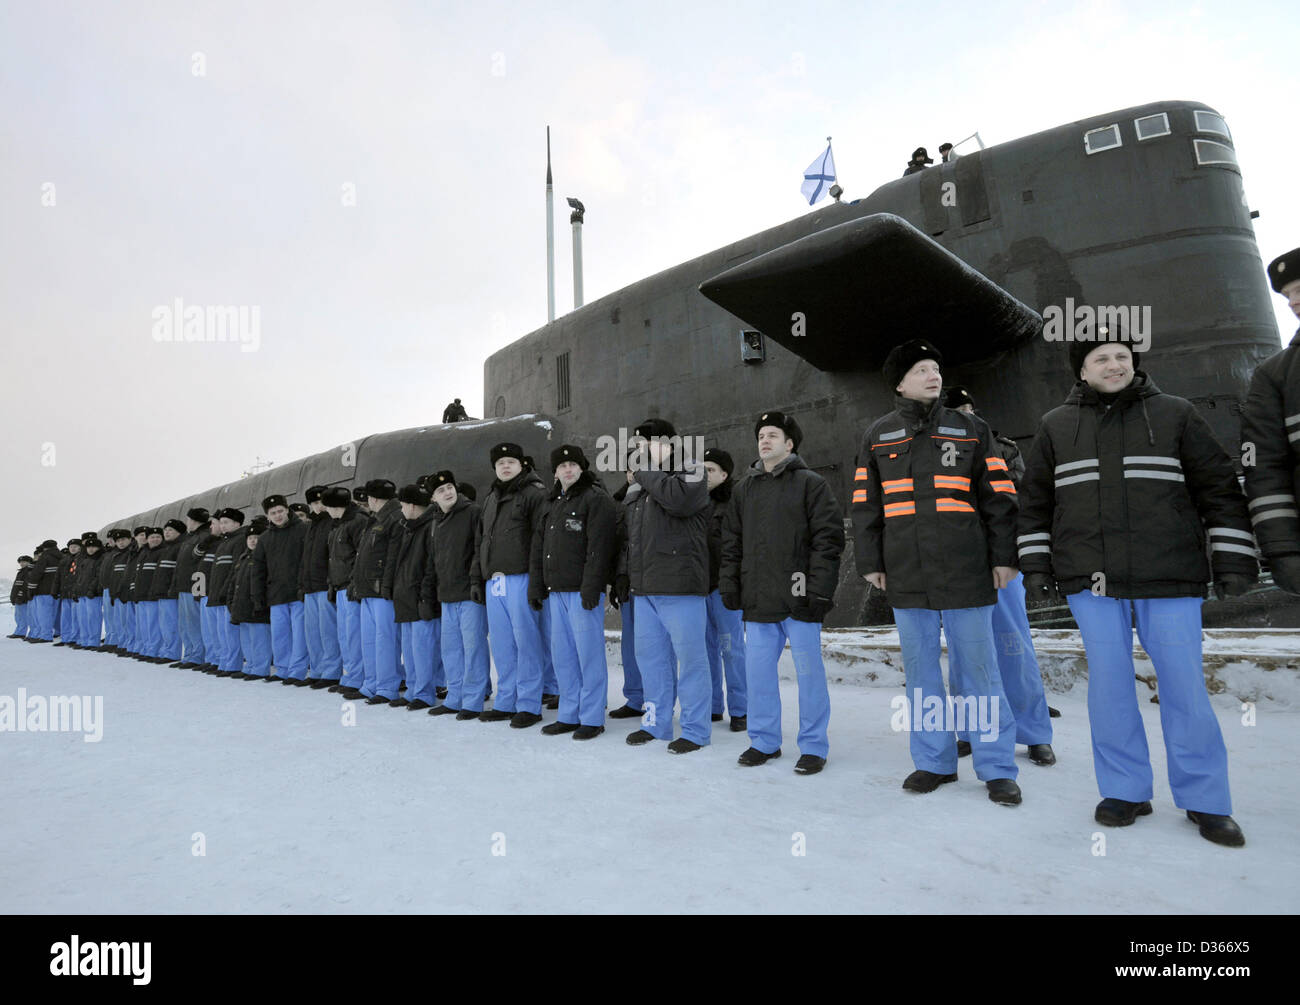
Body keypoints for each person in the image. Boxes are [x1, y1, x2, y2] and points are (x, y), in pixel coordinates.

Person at [1018, 324, 1256, 846]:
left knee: (1184, 687)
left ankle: (1206, 799)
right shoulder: (1056, 426)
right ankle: (1125, 790)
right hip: (1091, 580)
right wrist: (1036, 566)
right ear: (1082, 370)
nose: (1113, 364)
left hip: (1169, 574)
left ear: (1134, 363)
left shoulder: (1176, 413)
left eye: (1121, 355)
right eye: (1100, 357)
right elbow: (1034, 502)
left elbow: (1218, 487)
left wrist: (1235, 559)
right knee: (1109, 687)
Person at [853, 339, 1023, 805]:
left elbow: (1000, 496)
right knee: (921, 672)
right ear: (900, 381)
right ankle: (934, 761)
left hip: (967, 568)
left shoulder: (971, 429)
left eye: (936, 367)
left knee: (980, 671)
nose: (934, 375)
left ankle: (996, 767)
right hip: (907, 571)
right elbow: (864, 505)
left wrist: (1004, 556)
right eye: (922, 369)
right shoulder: (878, 435)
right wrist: (870, 563)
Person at [721, 412, 844, 774]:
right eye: (761, 434)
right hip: (759, 599)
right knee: (758, 674)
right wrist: (730, 584)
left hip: (800, 597)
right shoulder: (744, 488)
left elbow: (828, 539)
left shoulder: (811, 484)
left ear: (790, 444)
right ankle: (763, 741)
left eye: (773, 434)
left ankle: (813, 746)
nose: (765, 440)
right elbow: (732, 542)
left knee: (808, 674)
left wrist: (819, 590)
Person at [942, 385, 1056, 762]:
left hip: (1001, 558)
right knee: (964, 654)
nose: (968, 414)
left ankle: (1034, 731)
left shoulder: (1003, 449)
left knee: (1013, 645)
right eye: (960, 410)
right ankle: (973, 730)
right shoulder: (932, 453)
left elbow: (1018, 501)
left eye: (971, 407)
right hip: (959, 563)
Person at [620, 418, 713, 753]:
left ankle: (695, 729)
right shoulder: (639, 486)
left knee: (690, 660)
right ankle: (655, 722)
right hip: (645, 588)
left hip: (680, 584)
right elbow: (630, 535)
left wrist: (643, 472)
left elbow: (680, 501)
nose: (641, 450)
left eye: (649, 443)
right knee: (652, 660)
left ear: (672, 443)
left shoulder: (693, 470)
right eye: (638, 445)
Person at [531, 445, 618, 739]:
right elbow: (539, 547)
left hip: (582, 592)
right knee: (563, 655)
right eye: (562, 465)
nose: (567, 469)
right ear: (555, 472)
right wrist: (537, 584)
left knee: (588, 655)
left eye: (573, 464)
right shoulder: (550, 502)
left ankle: (592, 717)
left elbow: (599, 548)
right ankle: (569, 713)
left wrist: (592, 587)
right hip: (556, 592)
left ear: (582, 467)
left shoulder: (595, 500)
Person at [1240, 247, 1300, 595]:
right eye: (1287, 293)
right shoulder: (1276, 374)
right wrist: (1284, 550)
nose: (1293, 301)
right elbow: (1265, 470)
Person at [477, 442, 549, 727]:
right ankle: (506, 700)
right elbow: (482, 540)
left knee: (527, 641)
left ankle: (530, 704)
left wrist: (536, 580)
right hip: (494, 580)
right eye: (500, 463)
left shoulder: (534, 494)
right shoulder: (491, 497)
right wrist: (478, 576)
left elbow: (540, 539)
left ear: (522, 465)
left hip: (521, 577)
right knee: (503, 644)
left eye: (511, 461)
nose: (505, 466)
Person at [427, 471, 490, 719]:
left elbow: (478, 549)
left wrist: (476, 581)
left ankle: (473, 701)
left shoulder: (473, 512)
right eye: (441, 490)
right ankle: (455, 697)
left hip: (468, 594)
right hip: (447, 595)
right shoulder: (436, 521)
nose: (448, 492)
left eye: (450, 487)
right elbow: (435, 560)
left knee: (473, 647)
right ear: (433, 498)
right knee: (451, 649)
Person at [702, 447, 747, 731]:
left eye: (710, 470)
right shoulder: (694, 503)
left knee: (731, 648)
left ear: (724, 474)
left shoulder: (734, 503)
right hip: (699, 588)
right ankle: (714, 706)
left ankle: (741, 709)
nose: (704, 475)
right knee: (706, 650)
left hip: (725, 587)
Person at [351, 478, 404, 703]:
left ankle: (387, 687)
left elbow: (393, 557)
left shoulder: (393, 518)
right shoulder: (376, 519)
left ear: (373, 498)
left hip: (381, 590)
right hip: (369, 589)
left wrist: (387, 586)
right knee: (370, 640)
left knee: (385, 640)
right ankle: (371, 683)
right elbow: (363, 556)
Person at [391, 483, 443, 709]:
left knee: (422, 650)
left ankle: (423, 693)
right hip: (406, 598)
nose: (401, 509)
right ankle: (413, 689)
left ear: (411, 506)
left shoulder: (429, 527)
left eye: (402, 505)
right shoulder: (410, 527)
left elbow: (431, 567)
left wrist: (425, 597)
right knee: (411, 651)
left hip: (418, 597)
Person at [252, 493, 311, 685]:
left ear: (287, 510)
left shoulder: (303, 530)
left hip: (298, 592)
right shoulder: (264, 538)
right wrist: (258, 594)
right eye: (272, 513)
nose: (277, 516)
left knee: (300, 634)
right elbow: (258, 568)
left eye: (280, 511)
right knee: (280, 634)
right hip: (276, 594)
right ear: (267, 515)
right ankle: (282, 668)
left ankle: (297, 670)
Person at [323, 486, 370, 697]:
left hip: (351, 588)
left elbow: (361, 556)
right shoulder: (337, 525)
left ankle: (358, 677)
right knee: (345, 635)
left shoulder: (356, 522)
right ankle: (350, 676)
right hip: (340, 586)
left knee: (354, 636)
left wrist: (353, 583)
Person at [299, 486, 341, 688]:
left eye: (322, 502)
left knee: (328, 631)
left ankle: (332, 671)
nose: (319, 506)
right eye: (315, 503)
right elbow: (305, 559)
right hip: (310, 587)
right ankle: (317, 669)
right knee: (313, 632)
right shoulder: (311, 527)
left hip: (324, 585)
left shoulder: (332, 523)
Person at [206, 510, 249, 677]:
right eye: (221, 522)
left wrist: (226, 591)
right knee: (220, 633)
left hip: (226, 595)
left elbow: (234, 570)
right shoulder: (223, 542)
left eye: (226, 522)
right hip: (216, 595)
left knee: (230, 634)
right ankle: (224, 662)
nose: (222, 526)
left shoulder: (239, 541)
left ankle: (233, 664)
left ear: (237, 524)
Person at [229, 516, 273, 678]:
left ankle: (260, 669)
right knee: (247, 639)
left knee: (260, 639)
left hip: (257, 605)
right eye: (250, 538)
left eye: (257, 537)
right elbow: (234, 583)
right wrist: (231, 601)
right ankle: (251, 666)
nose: (253, 541)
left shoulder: (265, 556)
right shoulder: (243, 558)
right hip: (242, 606)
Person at [170, 508, 212, 669]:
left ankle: (197, 655)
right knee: (185, 623)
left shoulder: (203, 537)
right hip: (184, 585)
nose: (187, 522)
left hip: (194, 585)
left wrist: (198, 588)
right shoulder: (190, 537)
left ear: (194, 521)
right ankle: (189, 653)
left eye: (188, 519)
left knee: (194, 622)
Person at [53, 538, 81, 646]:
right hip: (65, 592)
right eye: (71, 547)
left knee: (75, 617)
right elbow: (58, 577)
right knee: (65, 617)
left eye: (75, 546)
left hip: (75, 593)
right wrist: (55, 590)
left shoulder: (81, 559)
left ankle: (75, 637)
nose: (73, 549)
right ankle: (65, 637)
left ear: (80, 548)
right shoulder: (64, 560)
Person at [9, 555, 34, 639]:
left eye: (24, 562)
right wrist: (13, 597)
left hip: (23, 598)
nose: (22, 564)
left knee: (24, 617)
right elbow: (16, 586)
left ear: (29, 562)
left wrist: (23, 595)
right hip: (18, 598)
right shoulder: (21, 572)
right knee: (18, 616)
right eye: (21, 562)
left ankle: (21, 632)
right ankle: (19, 631)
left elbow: (25, 586)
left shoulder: (29, 572)